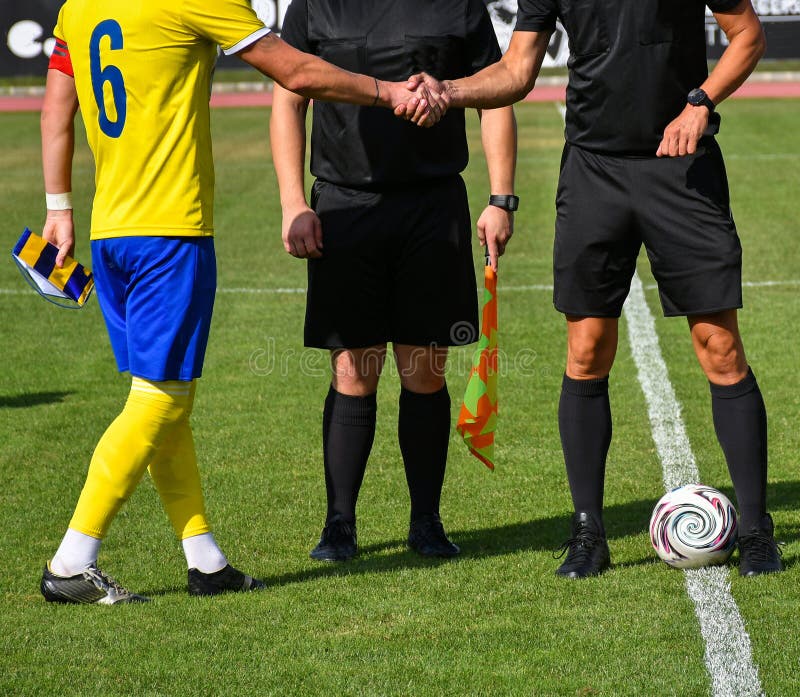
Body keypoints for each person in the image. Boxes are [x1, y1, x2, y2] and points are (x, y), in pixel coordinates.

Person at [38, 0, 443, 604]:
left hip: (111, 231)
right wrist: (388, 93)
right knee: (158, 401)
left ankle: (204, 561)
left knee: (165, 399)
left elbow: (54, 108)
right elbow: (297, 74)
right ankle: (73, 559)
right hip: (169, 234)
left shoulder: (78, 6)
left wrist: (57, 207)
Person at [402, 0, 784, 577]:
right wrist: (448, 92)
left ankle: (757, 532)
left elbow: (747, 36)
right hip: (593, 173)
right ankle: (588, 533)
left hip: (681, 169)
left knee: (720, 348)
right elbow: (517, 70)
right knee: (585, 352)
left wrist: (700, 103)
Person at [270, 0, 517, 562]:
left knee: (425, 371)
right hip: (344, 206)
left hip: (432, 207)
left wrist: (501, 197)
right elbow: (289, 100)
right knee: (353, 369)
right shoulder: (316, 5)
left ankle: (426, 522)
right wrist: (291, 202)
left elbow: (494, 93)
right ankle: (340, 525)